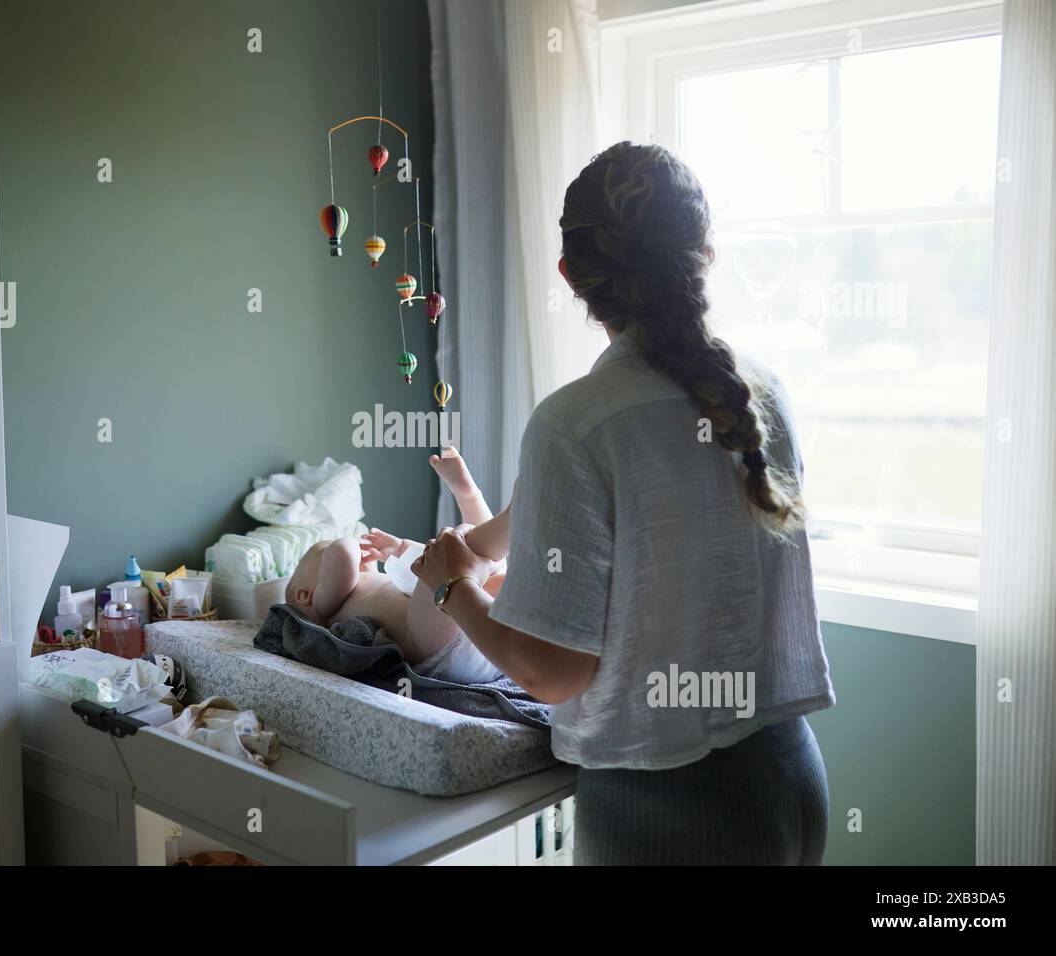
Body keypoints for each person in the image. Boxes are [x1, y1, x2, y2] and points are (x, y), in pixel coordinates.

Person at [411, 141, 835, 865]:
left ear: (570, 275)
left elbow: (552, 673)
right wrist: (480, 542)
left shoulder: (575, 424)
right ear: (703, 253)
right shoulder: (759, 393)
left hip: (667, 808)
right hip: (788, 777)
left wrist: (450, 586)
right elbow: (627, 524)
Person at [283, 448, 507, 684]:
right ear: (304, 594)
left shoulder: (372, 584)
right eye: (325, 553)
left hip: (488, 640)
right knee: (454, 556)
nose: (340, 552)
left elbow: (420, 573)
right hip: (437, 649)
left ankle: (471, 497)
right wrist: (347, 542)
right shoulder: (323, 608)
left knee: (466, 560)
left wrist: (399, 549)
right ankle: (505, 516)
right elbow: (343, 555)